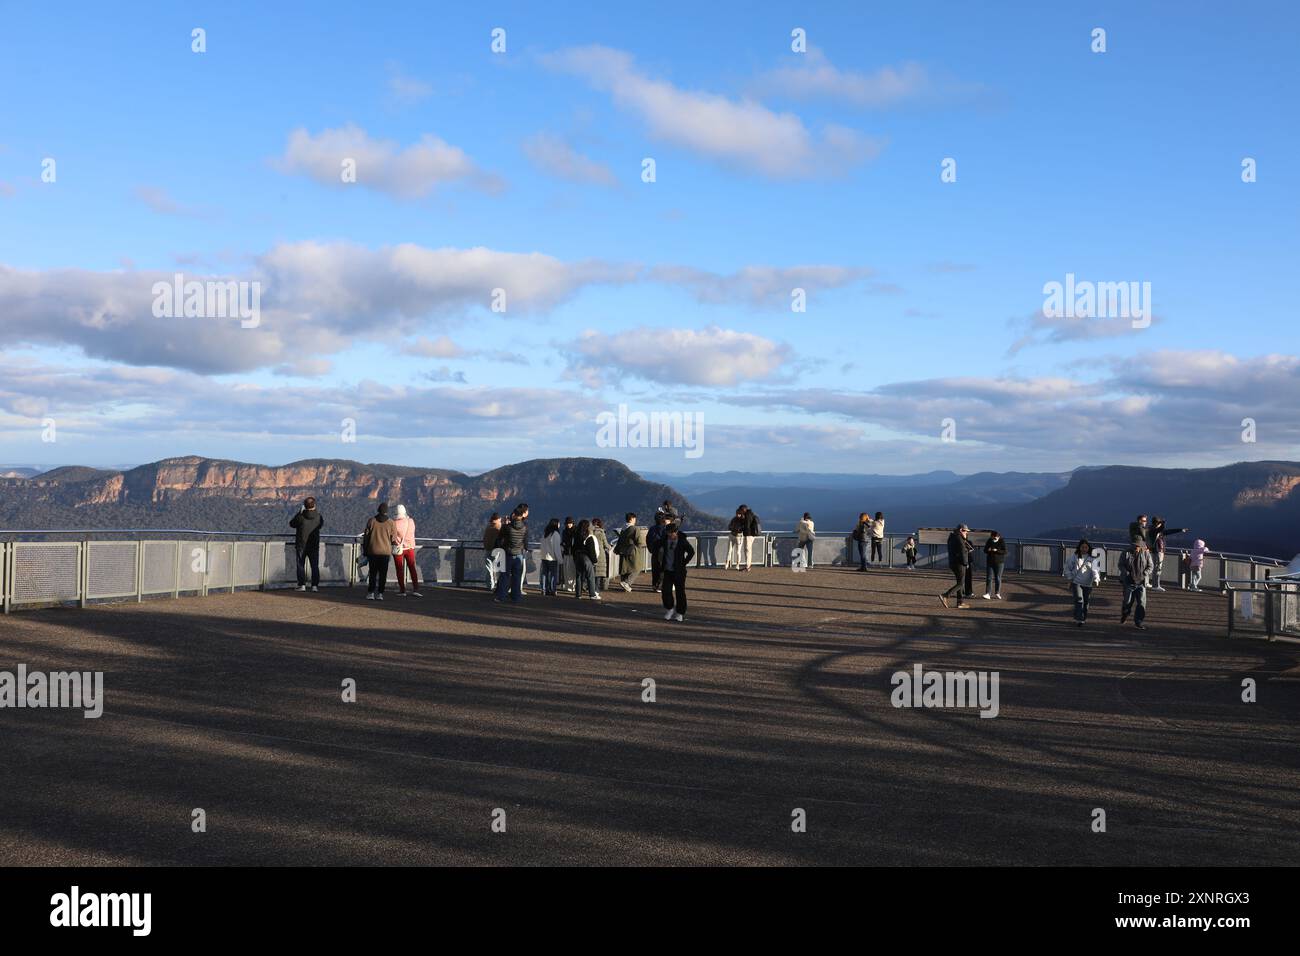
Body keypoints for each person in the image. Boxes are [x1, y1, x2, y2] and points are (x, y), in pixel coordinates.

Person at [658, 523, 696, 622]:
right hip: (667, 570)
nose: (669, 535)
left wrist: (684, 563)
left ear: (676, 532)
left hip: (679, 571)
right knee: (665, 591)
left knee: (680, 593)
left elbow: (691, 551)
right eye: (668, 533)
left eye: (671, 533)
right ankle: (669, 608)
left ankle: (680, 613)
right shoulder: (664, 539)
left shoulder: (682, 541)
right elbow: (656, 547)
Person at [362, 503, 398, 601]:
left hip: (373, 551)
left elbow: (366, 538)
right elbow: (394, 539)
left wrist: (365, 551)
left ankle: (371, 593)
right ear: (386, 511)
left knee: (372, 573)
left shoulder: (371, 521)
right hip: (385, 552)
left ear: (378, 510)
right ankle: (380, 593)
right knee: (383, 574)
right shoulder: (391, 523)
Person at [495, 504, 529, 603]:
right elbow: (525, 541)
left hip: (507, 554)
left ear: (514, 515)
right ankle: (516, 597)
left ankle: (501, 596)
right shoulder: (525, 528)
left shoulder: (507, 527)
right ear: (522, 515)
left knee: (504, 576)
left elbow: (499, 539)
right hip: (519, 555)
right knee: (517, 577)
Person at [289, 496, 323, 591]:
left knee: (300, 565)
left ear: (304, 505)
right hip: (314, 545)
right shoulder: (319, 517)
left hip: (301, 545)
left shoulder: (301, 517)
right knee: (314, 566)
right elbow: (320, 526)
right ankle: (314, 586)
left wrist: (299, 512)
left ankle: (302, 585)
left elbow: (292, 524)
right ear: (314, 505)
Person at [1119, 537, 1153, 629]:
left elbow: (1150, 566)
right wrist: (1125, 572)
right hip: (1129, 582)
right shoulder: (1125, 553)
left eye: (1137, 546)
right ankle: (1125, 613)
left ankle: (1139, 622)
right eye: (1134, 545)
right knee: (1127, 602)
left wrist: (1145, 573)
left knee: (1141, 603)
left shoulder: (1146, 553)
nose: (1135, 547)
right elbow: (1120, 564)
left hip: (1141, 582)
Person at [1148, 517, 1188, 592]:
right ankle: (1156, 585)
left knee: (1156, 568)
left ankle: (1155, 585)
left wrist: (1180, 530)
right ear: (1157, 523)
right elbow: (1162, 529)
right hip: (1158, 551)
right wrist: (1163, 523)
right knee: (1158, 568)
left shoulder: (1154, 530)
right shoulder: (1154, 530)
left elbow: (1169, 531)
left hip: (1157, 551)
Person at [1067, 539, 1101, 626]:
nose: (1084, 549)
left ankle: (1082, 617)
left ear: (1088, 548)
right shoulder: (1074, 557)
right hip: (1077, 582)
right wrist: (1070, 577)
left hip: (1088, 584)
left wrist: (1096, 579)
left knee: (1086, 603)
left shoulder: (1092, 559)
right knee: (1079, 600)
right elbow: (1068, 567)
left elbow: (1095, 570)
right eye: (1082, 547)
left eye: (1086, 547)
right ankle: (1079, 619)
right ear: (1079, 547)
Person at [390, 504, 421, 597]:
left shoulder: (394, 523)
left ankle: (402, 590)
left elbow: (392, 537)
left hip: (399, 549)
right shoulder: (411, 521)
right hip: (410, 548)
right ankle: (415, 589)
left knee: (399, 569)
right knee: (412, 568)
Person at [940, 524, 973, 609]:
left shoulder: (953, 537)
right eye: (966, 531)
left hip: (953, 562)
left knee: (959, 582)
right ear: (961, 530)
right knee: (961, 583)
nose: (967, 533)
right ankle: (945, 595)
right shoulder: (959, 538)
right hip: (959, 563)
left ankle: (960, 602)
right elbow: (962, 552)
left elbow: (959, 550)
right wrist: (966, 563)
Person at [573, 519, 601, 600]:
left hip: (577, 557)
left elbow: (573, 548)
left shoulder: (576, 536)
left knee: (578, 576)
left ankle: (578, 594)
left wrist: (575, 557)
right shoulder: (589, 537)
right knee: (590, 576)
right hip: (586, 558)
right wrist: (594, 561)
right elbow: (591, 551)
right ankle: (592, 594)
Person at [615, 513, 642, 592]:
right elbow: (639, 541)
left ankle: (625, 586)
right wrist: (638, 548)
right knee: (636, 568)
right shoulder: (635, 529)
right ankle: (626, 583)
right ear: (632, 519)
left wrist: (617, 549)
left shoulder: (623, 529)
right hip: (633, 551)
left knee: (625, 569)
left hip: (623, 551)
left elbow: (619, 541)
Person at [982, 531, 1007, 600]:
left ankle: (997, 593)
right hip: (990, 562)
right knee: (989, 578)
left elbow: (1005, 551)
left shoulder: (1002, 541)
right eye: (992, 537)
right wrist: (988, 550)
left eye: (995, 537)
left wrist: (997, 550)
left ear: (998, 536)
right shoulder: (989, 540)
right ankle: (988, 593)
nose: (993, 538)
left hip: (999, 562)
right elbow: (985, 550)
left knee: (998, 578)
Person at [540, 518, 562, 595]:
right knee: (553, 574)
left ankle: (544, 589)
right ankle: (553, 590)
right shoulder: (555, 534)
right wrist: (560, 559)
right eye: (559, 523)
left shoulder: (545, 533)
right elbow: (557, 548)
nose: (559, 525)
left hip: (544, 557)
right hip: (552, 558)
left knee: (544, 574)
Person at [647, 514, 668, 590]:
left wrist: (650, 549)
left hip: (654, 551)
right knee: (662, 569)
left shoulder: (652, 529)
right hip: (663, 551)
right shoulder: (665, 529)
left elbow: (648, 539)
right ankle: (659, 585)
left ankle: (654, 585)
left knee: (655, 568)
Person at [482, 513, 503, 591]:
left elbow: (484, 538)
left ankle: (490, 585)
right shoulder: (499, 527)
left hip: (488, 549)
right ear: (498, 519)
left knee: (489, 568)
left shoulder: (488, 527)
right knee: (497, 568)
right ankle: (498, 585)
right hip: (497, 550)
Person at [591, 517, 610, 591]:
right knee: (599, 574)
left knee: (593, 573)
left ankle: (592, 588)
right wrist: (610, 547)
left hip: (592, 553)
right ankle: (596, 590)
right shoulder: (601, 532)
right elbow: (606, 544)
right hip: (601, 555)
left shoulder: (590, 532)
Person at [560, 517, 577, 593]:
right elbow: (563, 541)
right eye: (567, 523)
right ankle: (568, 586)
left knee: (571, 570)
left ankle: (572, 586)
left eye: (570, 523)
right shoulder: (565, 532)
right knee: (566, 571)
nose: (568, 525)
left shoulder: (575, 531)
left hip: (572, 553)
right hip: (567, 553)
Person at [741, 505, 761, 570]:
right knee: (749, 550)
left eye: (741, 510)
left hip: (748, 535)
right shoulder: (751, 513)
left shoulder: (747, 515)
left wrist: (742, 527)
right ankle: (748, 565)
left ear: (744, 509)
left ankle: (747, 566)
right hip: (752, 535)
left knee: (747, 550)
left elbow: (747, 525)